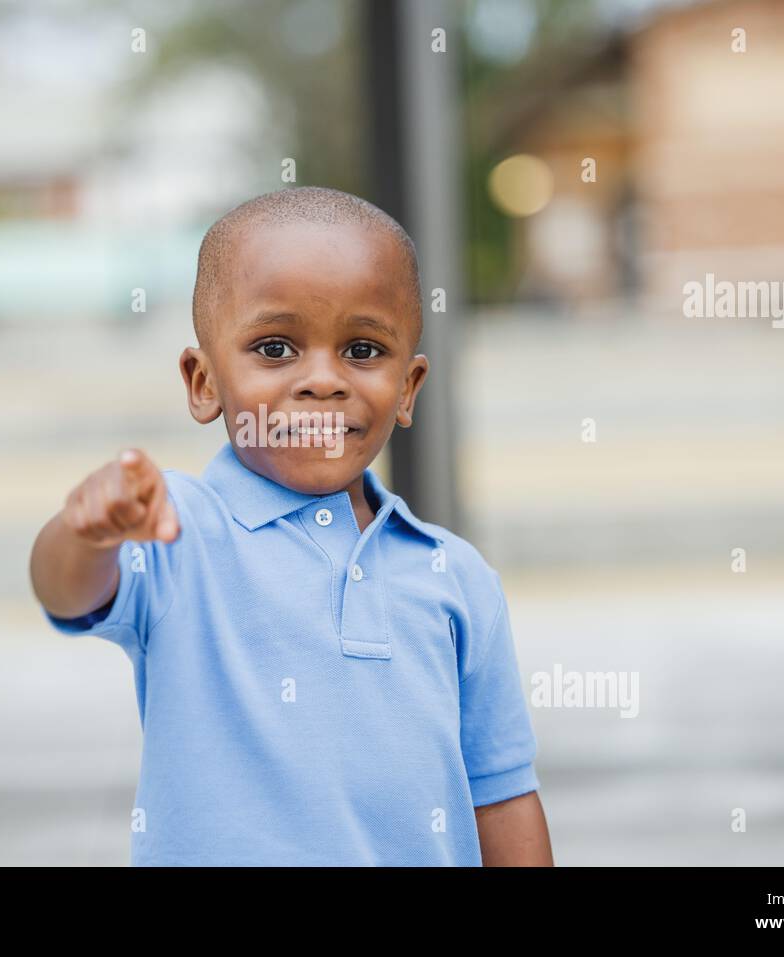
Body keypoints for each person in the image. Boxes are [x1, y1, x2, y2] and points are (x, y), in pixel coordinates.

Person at [29, 186, 553, 866]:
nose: (323, 380)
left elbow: (501, 794)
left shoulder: (454, 575)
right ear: (203, 382)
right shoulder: (177, 531)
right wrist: (87, 531)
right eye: (275, 347)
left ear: (408, 389)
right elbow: (64, 588)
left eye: (363, 350)